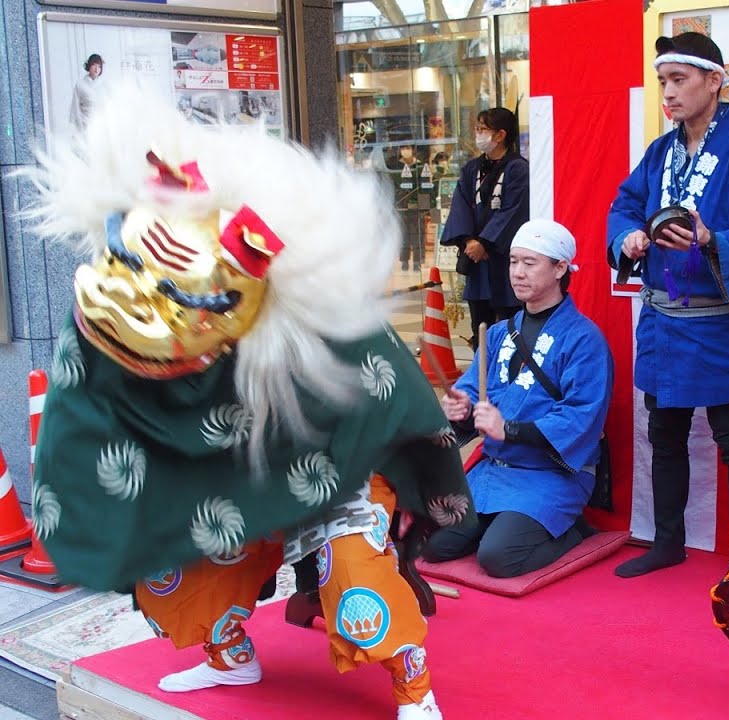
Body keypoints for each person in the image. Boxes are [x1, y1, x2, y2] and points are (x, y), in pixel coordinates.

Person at [24, 85, 473, 720]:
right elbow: (87, 418)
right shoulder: (111, 299)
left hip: (339, 453)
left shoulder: (318, 324)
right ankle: (228, 655)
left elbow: (393, 395)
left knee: (354, 573)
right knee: (177, 560)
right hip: (237, 459)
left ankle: (414, 690)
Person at [606, 32, 729, 577]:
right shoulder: (659, 153)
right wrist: (628, 238)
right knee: (665, 435)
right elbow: (625, 205)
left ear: (714, 81)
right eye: (663, 81)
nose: (668, 92)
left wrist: (713, 240)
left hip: (719, 324)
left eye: (679, 80)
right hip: (663, 320)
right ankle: (668, 542)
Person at [426, 219, 613, 578]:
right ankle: (500, 524)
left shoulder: (584, 339)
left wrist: (508, 429)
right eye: (513, 261)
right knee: (435, 545)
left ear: (560, 268)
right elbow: (471, 389)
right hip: (495, 471)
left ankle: (573, 532)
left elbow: (580, 416)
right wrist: (460, 407)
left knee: (498, 558)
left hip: (549, 475)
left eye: (530, 262)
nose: (517, 272)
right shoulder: (498, 333)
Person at [440, 108, 527, 349]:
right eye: (477, 129)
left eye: (482, 129)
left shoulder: (518, 169)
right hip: (477, 261)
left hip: (504, 258)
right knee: (480, 324)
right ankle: (481, 367)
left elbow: (514, 211)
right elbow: (460, 205)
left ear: (500, 135)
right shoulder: (472, 169)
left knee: (511, 324)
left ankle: (508, 368)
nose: (477, 134)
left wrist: (485, 242)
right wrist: (469, 240)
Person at [392, 145, 426, 272]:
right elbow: (394, 187)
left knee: (418, 235)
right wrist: (396, 204)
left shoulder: (420, 166)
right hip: (401, 207)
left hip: (417, 207)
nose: (406, 151)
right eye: (403, 148)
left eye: (408, 148)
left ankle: (417, 261)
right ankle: (404, 261)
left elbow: (424, 187)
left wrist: (424, 208)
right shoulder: (396, 167)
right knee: (403, 235)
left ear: (413, 149)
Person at [70, 53, 103, 130]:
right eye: (94, 65)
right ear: (89, 65)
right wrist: (77, 126)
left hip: (101, 125)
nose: (96, 69)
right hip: (85, 124)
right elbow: (75, 107)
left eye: (99, 66)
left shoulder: (104, 85)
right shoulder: (80, 84)